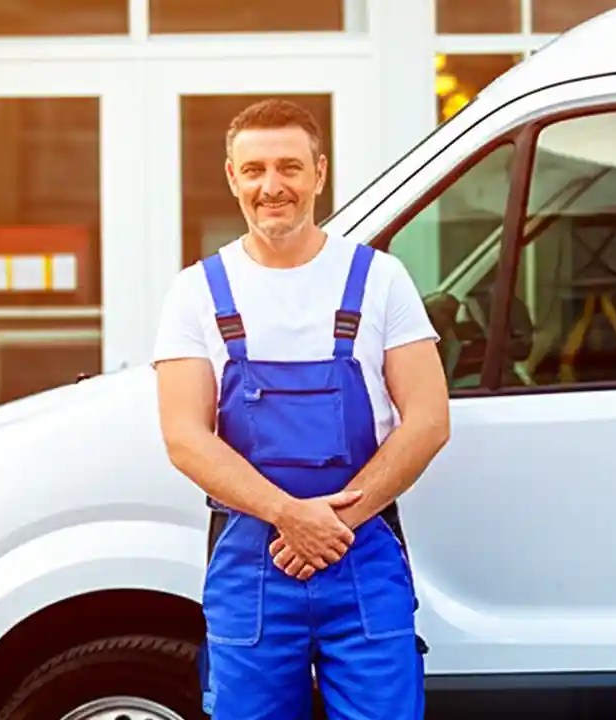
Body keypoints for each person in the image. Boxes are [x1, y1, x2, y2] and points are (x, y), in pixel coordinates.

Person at [152, 98, 450, 720]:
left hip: (362, 553)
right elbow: (183, 435)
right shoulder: (197, 291)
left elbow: (428, 418)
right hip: (250, 565)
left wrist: (333, 524)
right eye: (254, 169)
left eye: (289, 166)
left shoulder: (380, 279)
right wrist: (291, 516)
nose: (272, 186)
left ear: (318, 172)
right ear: (232, 178)